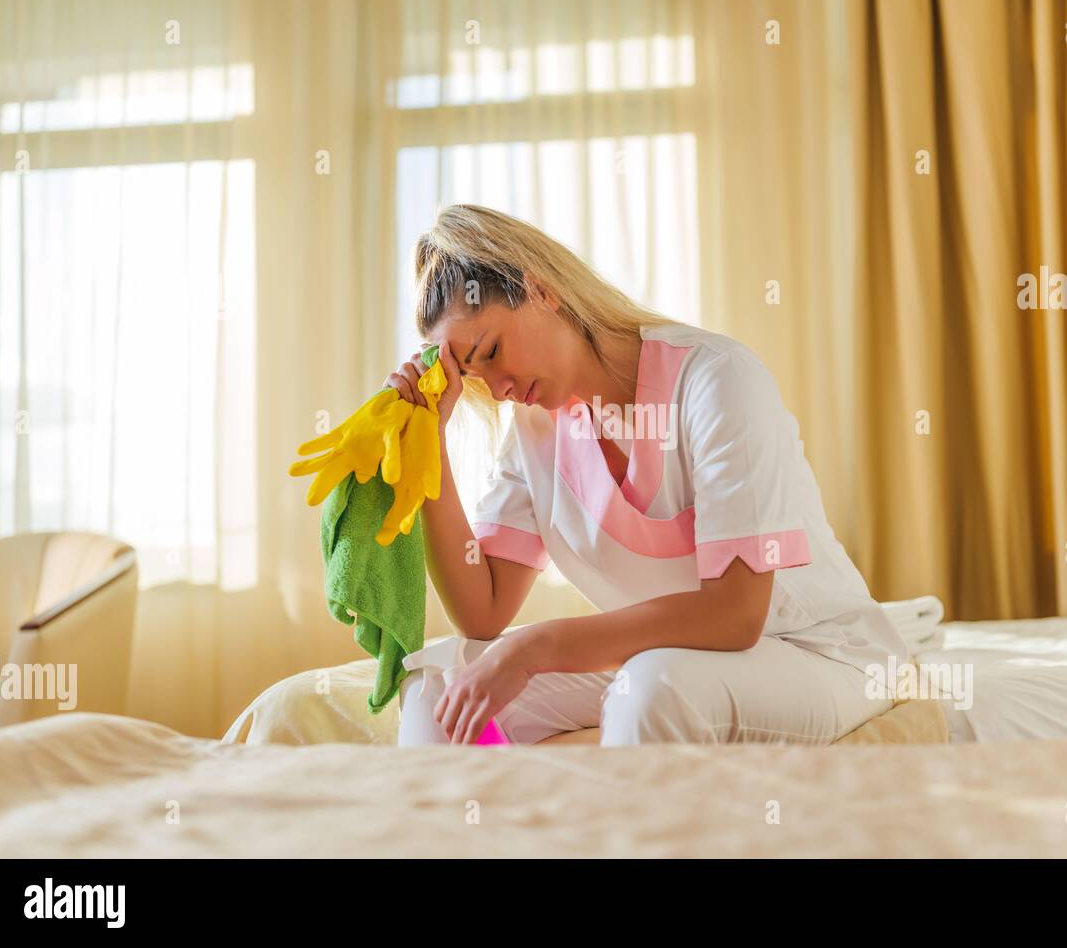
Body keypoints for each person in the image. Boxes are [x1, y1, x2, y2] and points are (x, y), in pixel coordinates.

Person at [385, 204, 909, 746]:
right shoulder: (536, 430)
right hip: (663, 658)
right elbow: (483, 613)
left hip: (818, 651)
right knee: (435, 687)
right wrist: (429, 442)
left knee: (653, 688)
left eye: (492, 351)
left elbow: (736, 613)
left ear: (540, 290)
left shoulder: (718, 379)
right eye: (476, 376)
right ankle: (479, 805)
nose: (498, 391)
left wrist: (534, 648)